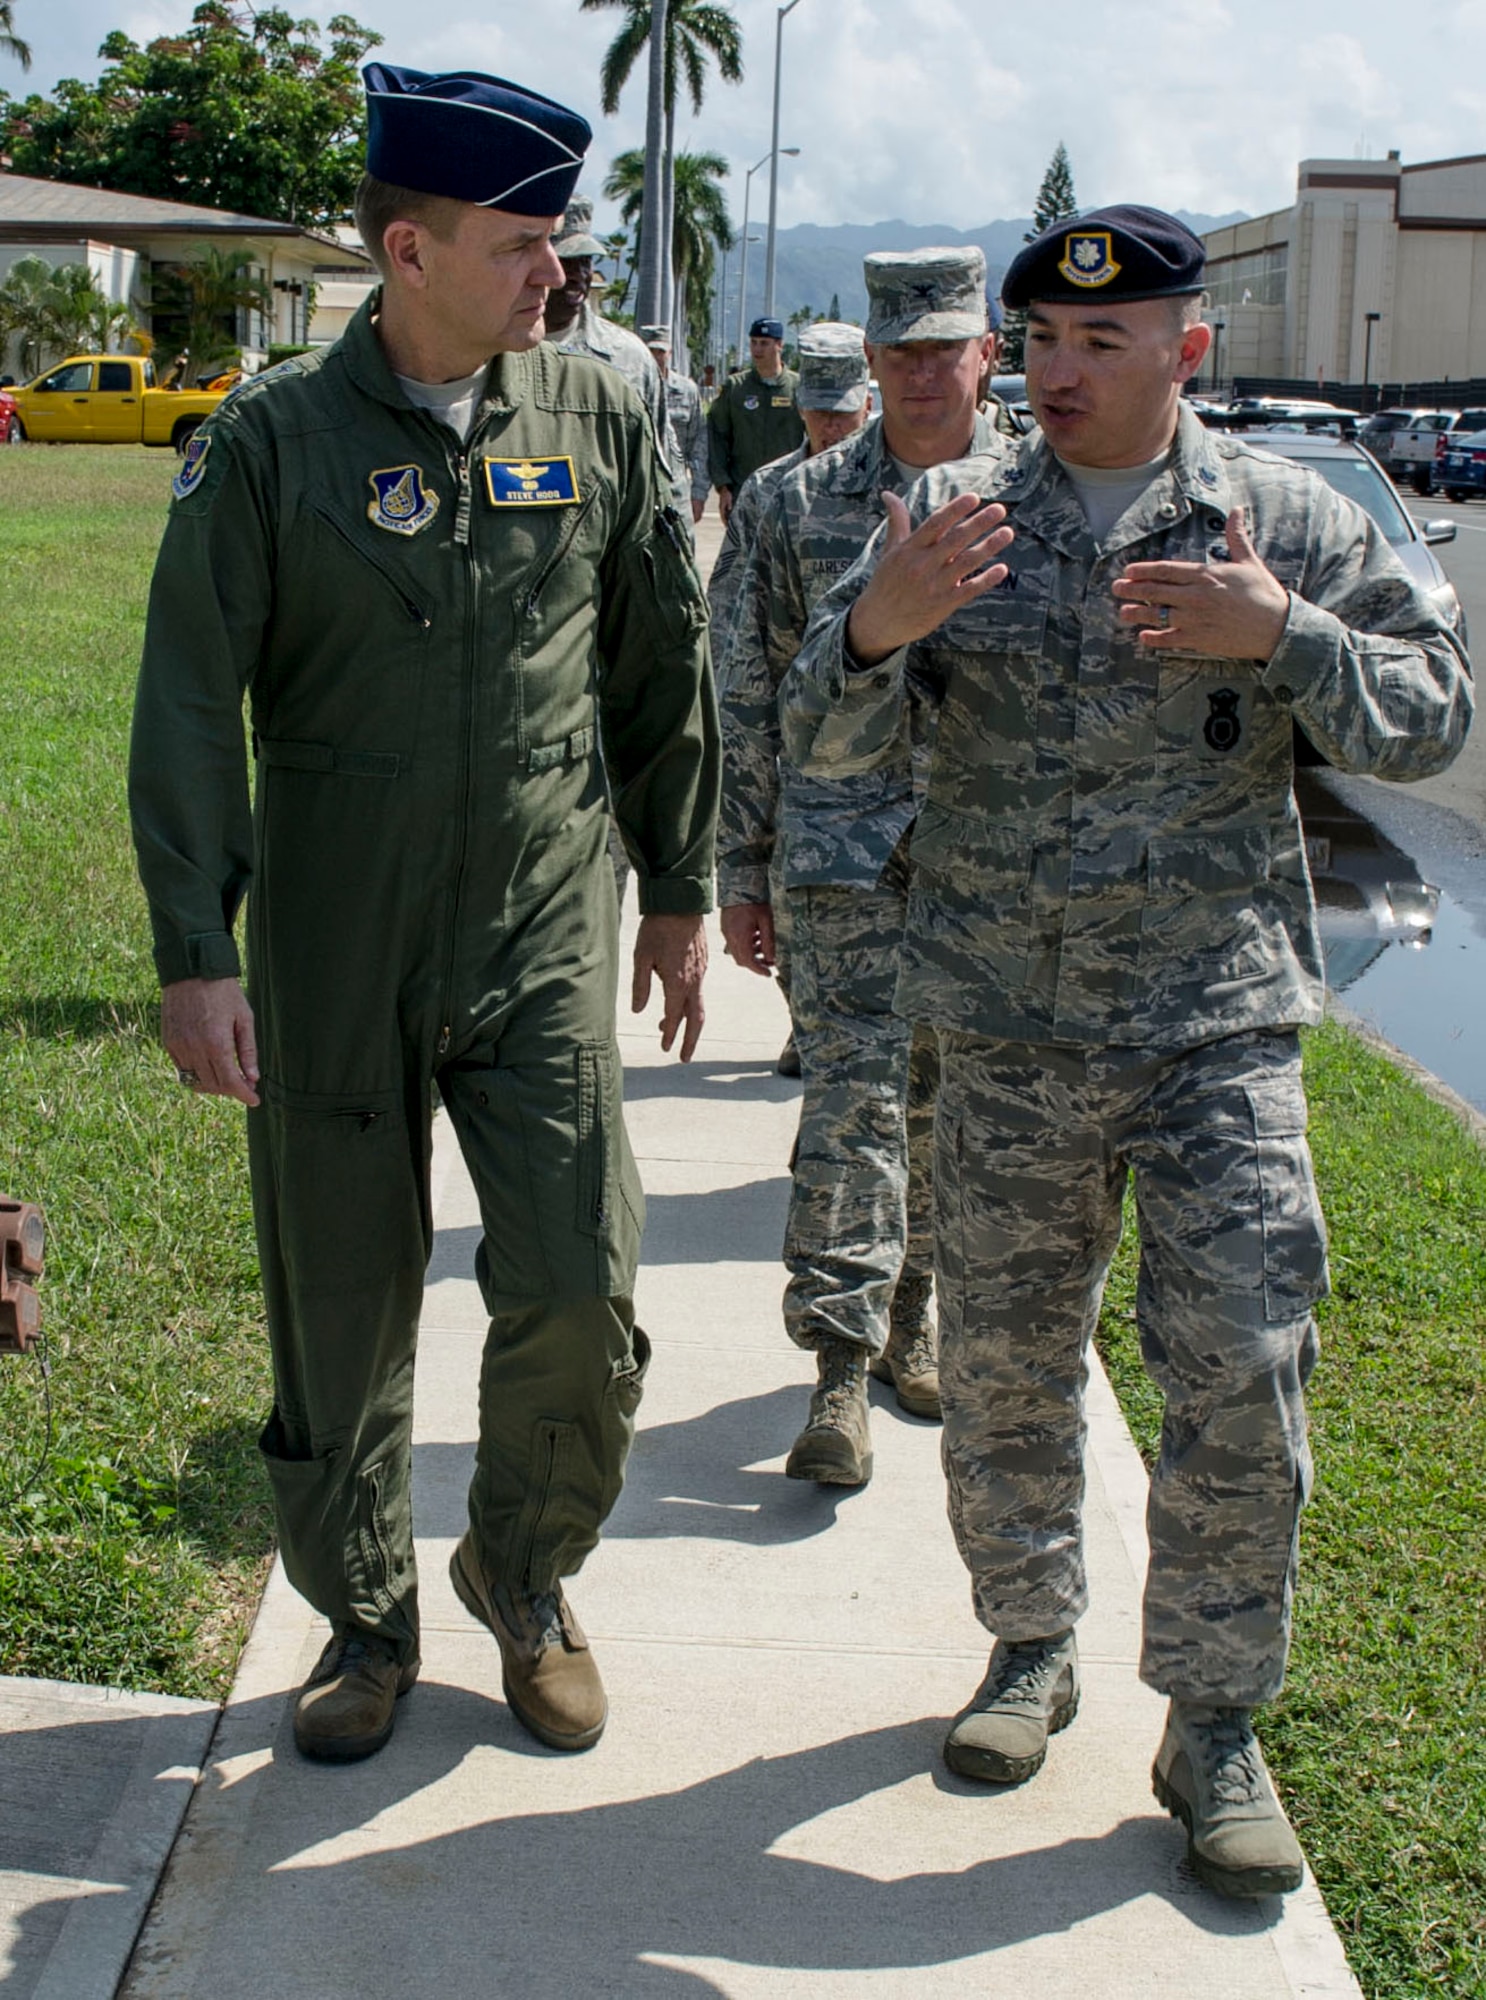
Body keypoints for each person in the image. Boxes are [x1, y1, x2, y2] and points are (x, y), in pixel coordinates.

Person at [781, 206, 1470, 1896]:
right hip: (1006, 1023)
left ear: (1188, 349)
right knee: (1010, 1368)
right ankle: (1026, 1647)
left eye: (1102, 341)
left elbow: (1435, 709)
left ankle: (1214, 1720)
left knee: (1240, 1363)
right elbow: (811, 718)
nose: (1060, 371)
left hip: (1212, 1020)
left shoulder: (1284, 518)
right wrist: (877, 626)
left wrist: (1283, 637)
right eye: (1041, 342)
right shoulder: (949, 515)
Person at [129, 61, 719, 1769]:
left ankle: (524, 1583)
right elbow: (185, 701)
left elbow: (656, 666)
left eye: (555, 242)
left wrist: (675, 888)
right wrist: (194, 950)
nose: (555, 275)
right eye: (523, 244)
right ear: (408, 249)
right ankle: (365, 1620)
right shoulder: (265, 443)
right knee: (341, 1299)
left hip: (537, 928)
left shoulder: (597, 415)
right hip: (337, 937)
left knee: (574, 1282)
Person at [720, 253, 1008, 1475]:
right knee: (853, 1108)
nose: (925, 372)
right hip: (840, 853)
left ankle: (910, 1319)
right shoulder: (795, 500)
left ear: (987, 351)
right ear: (872, 362)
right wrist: (741, 859)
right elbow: (742, 686)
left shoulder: (1042, 492)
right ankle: (836, 1370)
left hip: (986, 860)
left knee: (943, 1111)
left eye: (948, 348)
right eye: (902, 353)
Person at [709, 321, 875, 1080]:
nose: (832, 424)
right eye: (819, 409)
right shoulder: (773, 491)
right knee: (788, 891)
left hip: (881, 736)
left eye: (844, 409)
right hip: (793, 731)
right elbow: (731, 606)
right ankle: (806, 1018)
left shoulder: (906, 482)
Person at [543, 196, 685, 501]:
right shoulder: (492, 350)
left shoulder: (628, 357)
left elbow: (662, 469)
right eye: (566, 260)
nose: (579, 275)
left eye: (586, 261)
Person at [708, 316, 804, 525]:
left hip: (786, 492)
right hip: (744, 491)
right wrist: (723, 487)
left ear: (779, 345)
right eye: (754, 342)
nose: (757, 349)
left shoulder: (797, 388)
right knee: (741, 556)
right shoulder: (736, 388)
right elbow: (717, 436)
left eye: (764, 343)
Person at [642, 324, 709, 524]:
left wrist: (699, 493)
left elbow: (700, 444)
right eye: (650, 350)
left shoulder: (686, 390)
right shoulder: (630, 387)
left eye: (660, 351)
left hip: (677, 486)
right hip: (641, 486)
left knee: (680, 547)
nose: (655, 356)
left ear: (669, 353)